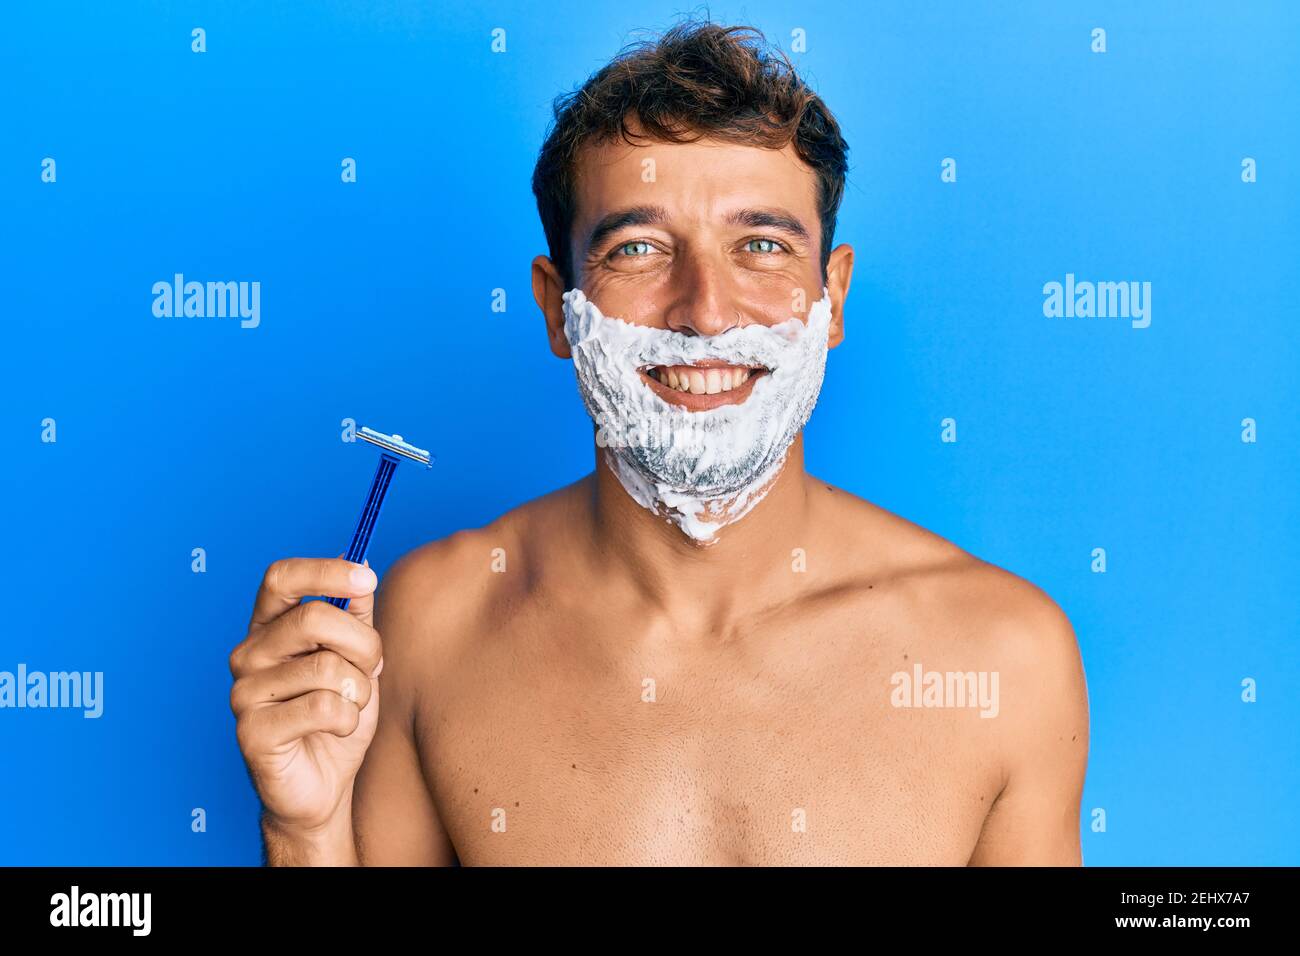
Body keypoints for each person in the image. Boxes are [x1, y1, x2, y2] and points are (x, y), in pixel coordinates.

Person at [230, 20, 1089, 866]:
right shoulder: (431, 624)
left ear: (832, 297)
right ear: (555, 306)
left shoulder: (1004, 658)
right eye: (638, 249)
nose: (705, 312)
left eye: (761, 246)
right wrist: (305, 834)